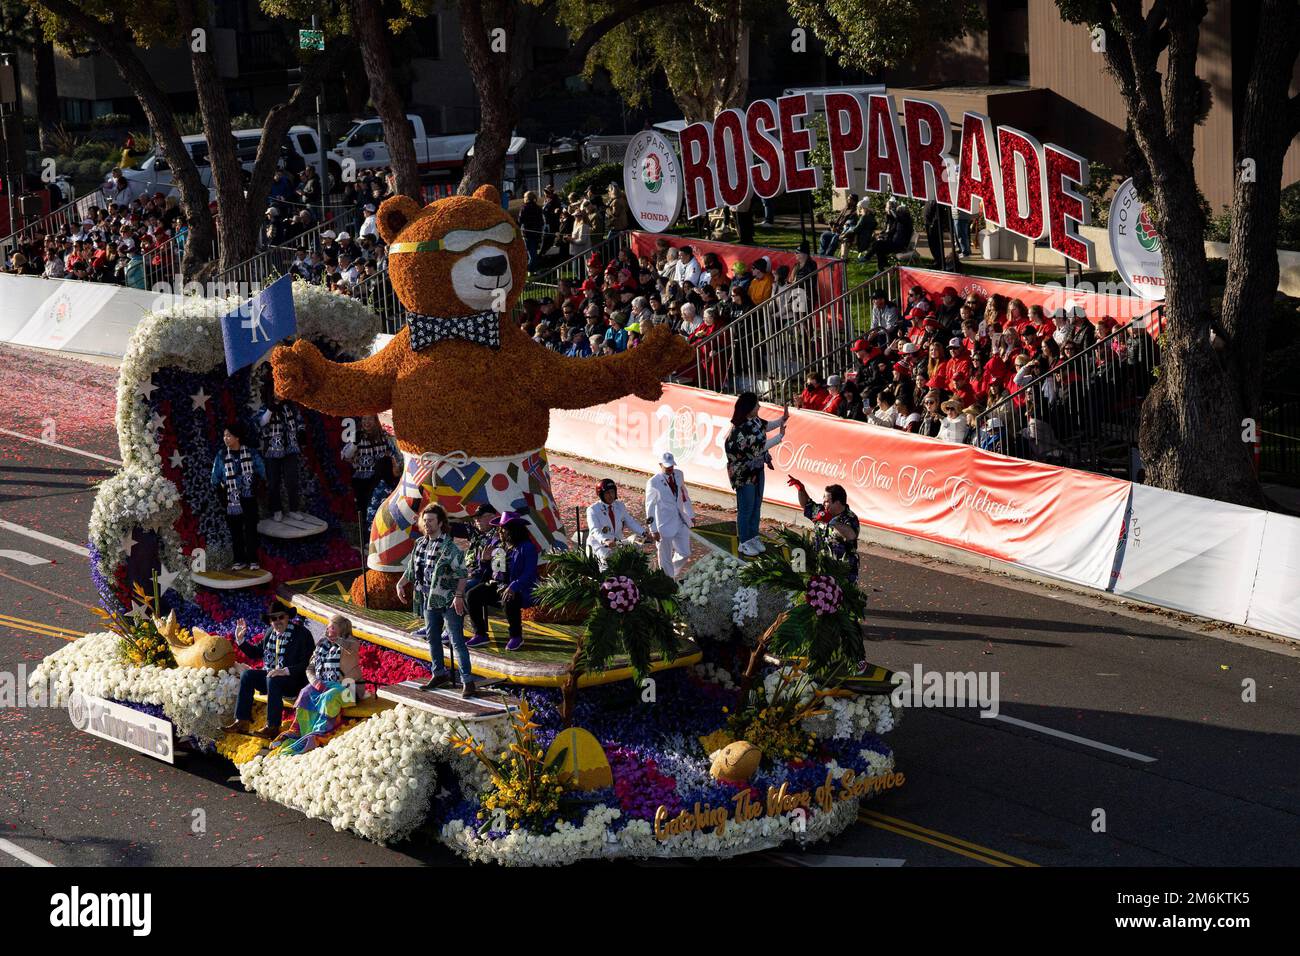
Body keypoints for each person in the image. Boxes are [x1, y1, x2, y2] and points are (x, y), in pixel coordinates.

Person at [397, 505, 476, 697]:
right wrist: (400, 584)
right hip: (429, 600)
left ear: (440, 523)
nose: (427, 523)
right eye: (425, 520)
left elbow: (462, 574)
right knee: (432, 638)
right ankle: (439, 673)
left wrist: (458, 596)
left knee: (456, 640)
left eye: (431, 520)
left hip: (448, 600)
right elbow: (411, 568)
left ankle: (467, 680)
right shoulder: (420, 544)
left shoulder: (450, 547)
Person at [270, 614, 362, 755]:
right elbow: (310, 668)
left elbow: (351, 648)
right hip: (324, 685)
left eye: (332, 627)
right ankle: (299, 731)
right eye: (328, 626)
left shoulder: (351, 643)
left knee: (329, 697)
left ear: (341, 629)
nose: (328, 629)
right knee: (305, 692)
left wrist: (337, 640)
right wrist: (315, 681)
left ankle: (318, 733)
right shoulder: (322, 645)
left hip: (348, 689)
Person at [224, 606, 314, 737]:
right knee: (247, 675)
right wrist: (241, 640)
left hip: (295, 682)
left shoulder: (302, 634)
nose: (278, 621)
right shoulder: (270, 632)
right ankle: (242, 721)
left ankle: (272, 727)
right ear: (270, 621)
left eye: (281, 617)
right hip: (273, 680)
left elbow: (308, 663)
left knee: (273, 678)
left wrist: (285, 671)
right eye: (274, 618)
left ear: (288, 617)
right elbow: (256, 652)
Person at [725, 393, 788, 557]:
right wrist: (780, 436)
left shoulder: (755, 421)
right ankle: (744, 542)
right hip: (744, 474)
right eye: (756, 405)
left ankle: (753, 536)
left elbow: (766, 426)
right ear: (749, 408)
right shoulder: (741, 428)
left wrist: (783, 419)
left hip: (757, 470)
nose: (759, 407)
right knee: (746, 508)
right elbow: (758, 448)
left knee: (756, 505)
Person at [465, 513, 538, 652]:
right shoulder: (500, 547)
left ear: (513, 530)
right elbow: (496, 571)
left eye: (503, 528)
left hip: (520, 589)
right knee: (472, 595)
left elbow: (529, 573)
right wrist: (485, 561)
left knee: (509, 597)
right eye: (499, 528)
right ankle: (480, 634)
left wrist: (513, 586)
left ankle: (516, 636)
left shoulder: (527, 547)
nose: (500, 531)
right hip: (500, 585)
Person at [209, 423, 265, 570]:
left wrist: (255, 482)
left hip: (248, 497)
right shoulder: (221, 455)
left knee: (251, 529)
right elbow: (215, 478)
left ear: (237, 437)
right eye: (224, 436)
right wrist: (222, 489)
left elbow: (262, 471)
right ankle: (239, 560)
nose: (225, 438)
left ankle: (253, 560)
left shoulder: (251, 453)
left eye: (229, 435)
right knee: (236, 531)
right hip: (231, 500)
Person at [787, 479, 860, 579]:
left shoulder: (850, 518)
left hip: (842, 569)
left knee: (839, 594)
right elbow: (806, 505)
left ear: (837, 503)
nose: (824, 503)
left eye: (827, 501)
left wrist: (832, 521)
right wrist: (801, 489)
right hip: (820, 565)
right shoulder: (821, 511)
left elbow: (851, 535)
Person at [644, 452, 694, 579]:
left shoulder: (679, 474)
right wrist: (653, 529)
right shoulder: (653, 482)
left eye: (672, 465)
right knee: (665, 557)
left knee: (685, 553)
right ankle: (667, 581)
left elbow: (684, 495)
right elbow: (649, 507)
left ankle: (669, 574)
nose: (670, 468)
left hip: (680, 521)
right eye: (667, 466)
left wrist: (690, 514)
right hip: (663, 526)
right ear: (660, 465)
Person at [585, 478, 648, 564]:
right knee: (606, 567)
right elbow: (594, 530)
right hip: (599, 546)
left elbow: (630, 522)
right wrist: (605, 540)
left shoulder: (620, 505)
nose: (611, 495)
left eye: (612, 492)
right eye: (607, 493)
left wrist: (644, 533)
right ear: (601, 495)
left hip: (617, 544)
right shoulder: (592, 509)